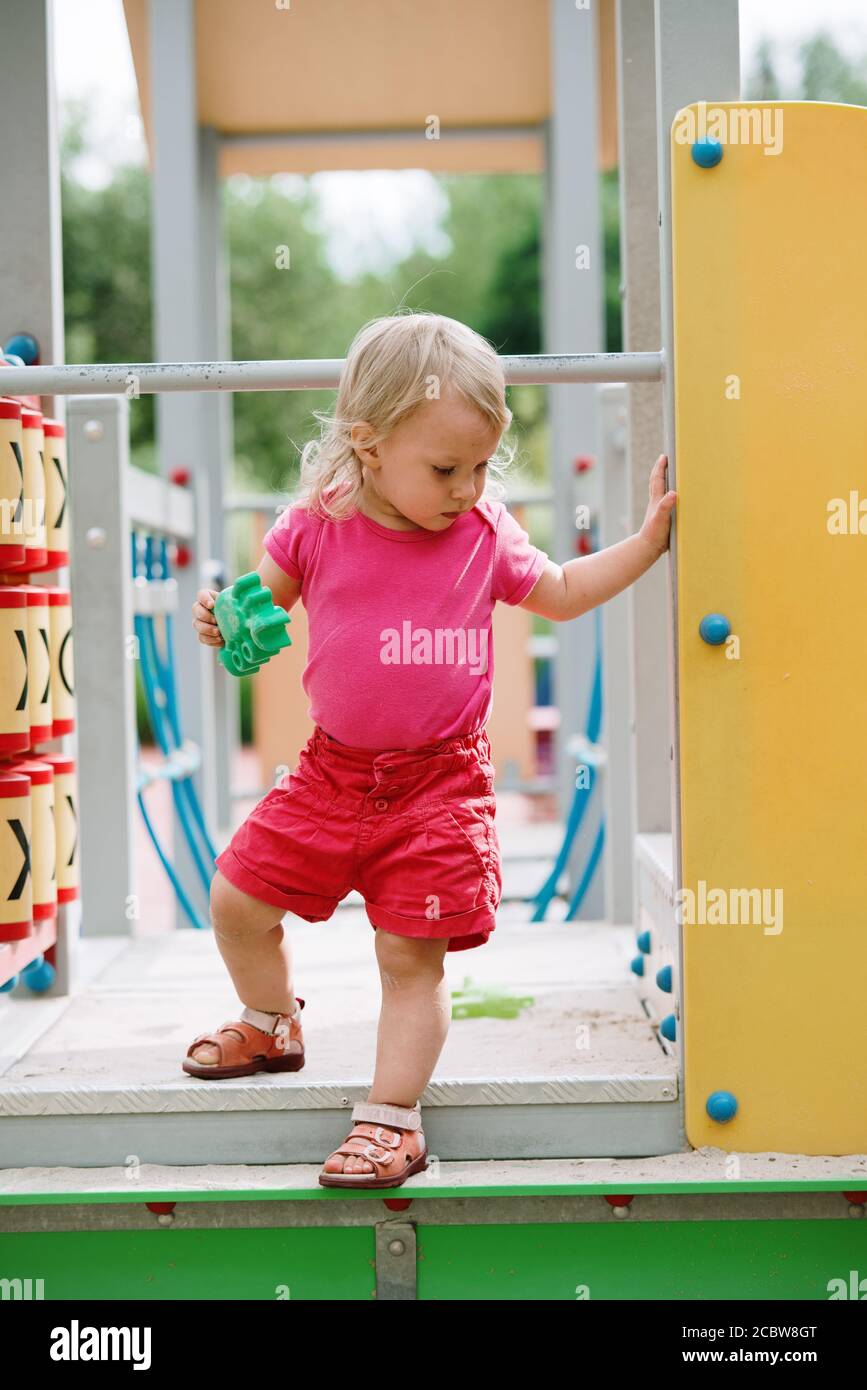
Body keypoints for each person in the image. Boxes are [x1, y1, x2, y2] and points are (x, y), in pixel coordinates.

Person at [184, 310, 676, 1189]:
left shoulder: (484, 533)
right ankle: (271, 1019)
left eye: (481, 465)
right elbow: (257, 606)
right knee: (234, 901)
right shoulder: (317, 524)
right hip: (332, 771)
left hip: (441, 785)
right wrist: (225, 623)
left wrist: (643, 543)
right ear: (367, 447)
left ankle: (391, 1116)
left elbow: (560, 592)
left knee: (410, 953)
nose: (466, 486)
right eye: (446, 468)